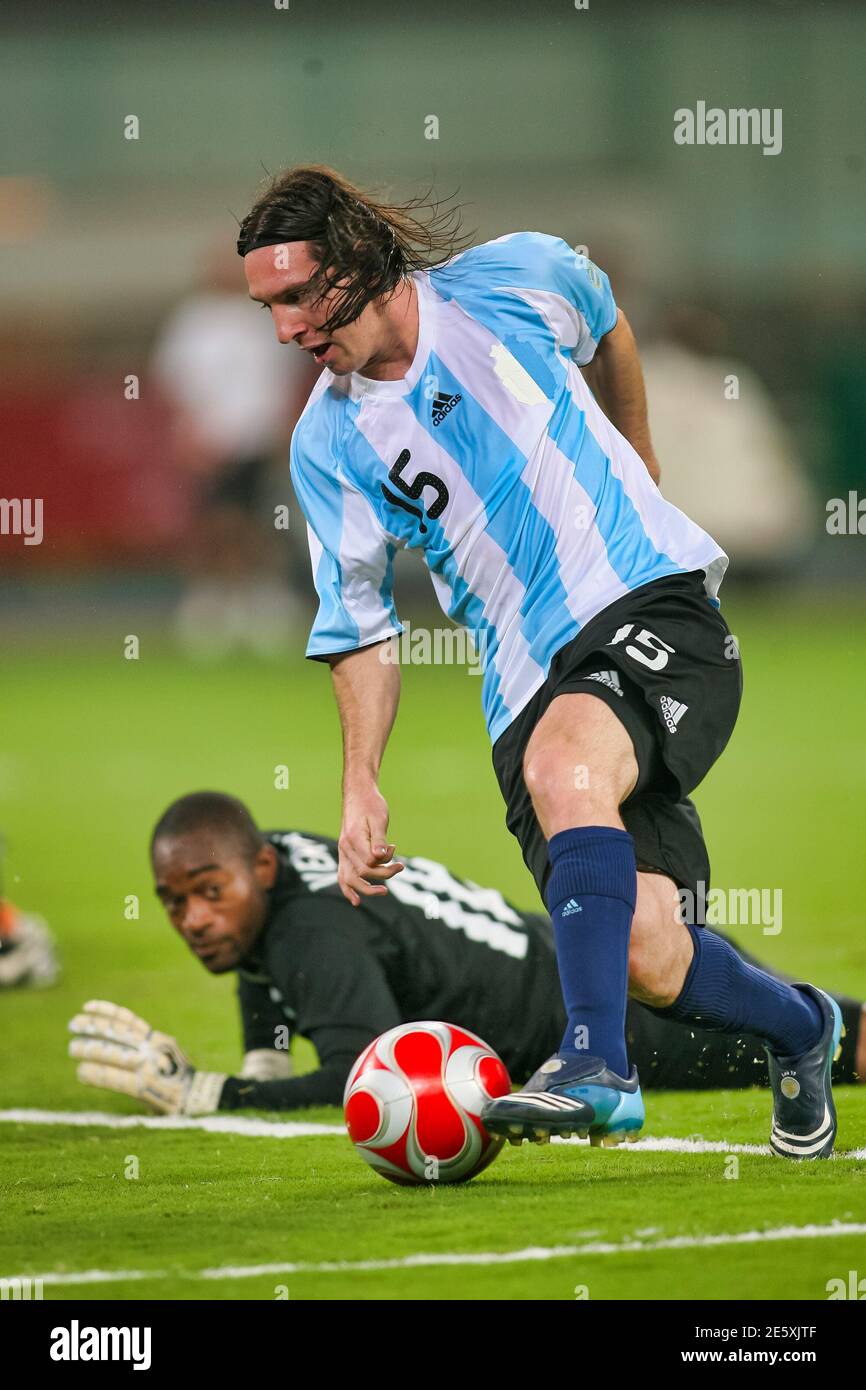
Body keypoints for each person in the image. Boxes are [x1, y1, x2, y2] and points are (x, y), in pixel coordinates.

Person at [235, 164, 842, 1158]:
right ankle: (802, 1029)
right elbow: (358, 624)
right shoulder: (328, 441)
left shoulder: (510, 281)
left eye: (297, 295)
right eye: (267, 306)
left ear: (353, 259)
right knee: (646, 952)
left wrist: (636, 451)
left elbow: (603, 321)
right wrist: (359, 784)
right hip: (525, 685)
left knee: (565, 765)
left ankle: (593, 1064)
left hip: (650, 604)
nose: (286, 329)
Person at [67, 793, 863, 1118]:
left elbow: (357, 1075)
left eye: (209, 892)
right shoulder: (281, 863)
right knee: (792, 1008)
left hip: (601, 1010)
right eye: (175, 901)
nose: (195, 919)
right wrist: (261, 1054)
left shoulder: (310, 930)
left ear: (260, 872)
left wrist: (216, 1092)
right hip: (566, 957)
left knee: (830, 1038)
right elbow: (256, 955)